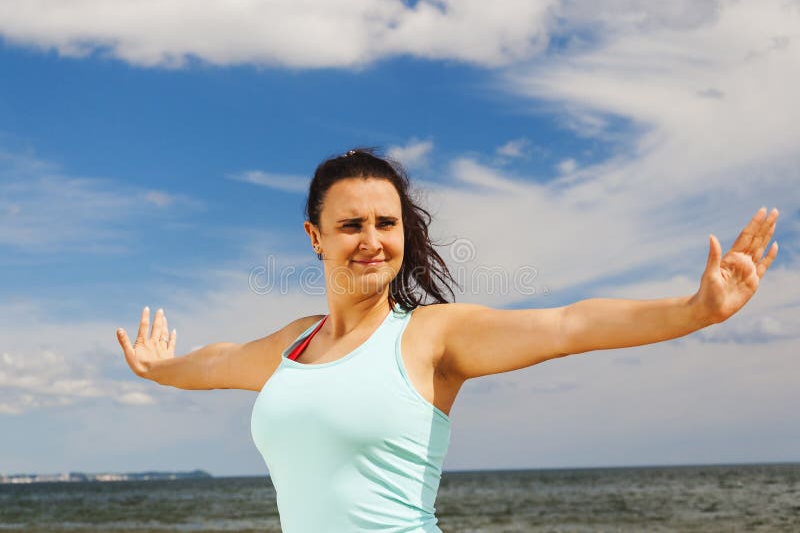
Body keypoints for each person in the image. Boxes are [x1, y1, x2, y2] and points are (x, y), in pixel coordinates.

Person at [116, 148, 780, 532]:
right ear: (315, 237)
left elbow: (567, 325)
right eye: (350, 225)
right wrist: (159, 368)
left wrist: (694, 311)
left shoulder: (429, 336)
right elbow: (219, 362)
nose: (372, 241)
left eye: (386, 223)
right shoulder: (296, 344)